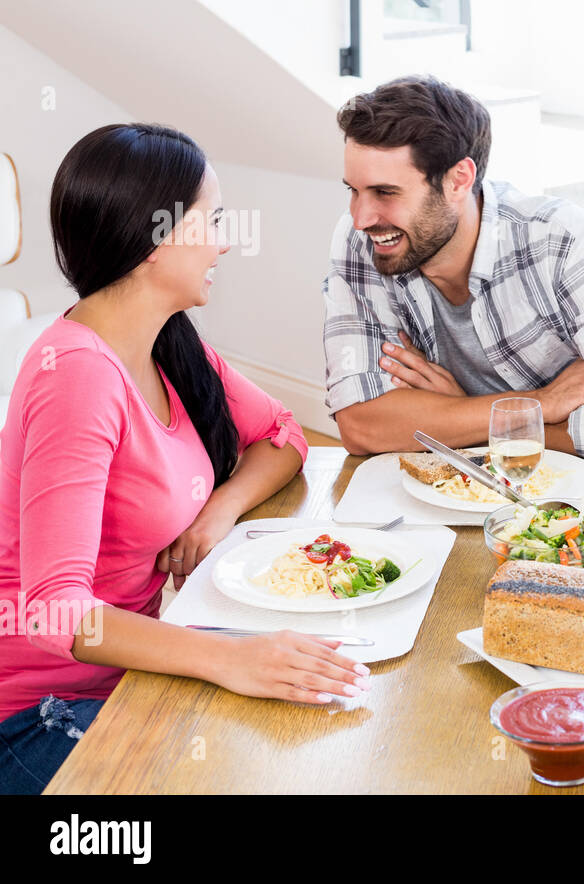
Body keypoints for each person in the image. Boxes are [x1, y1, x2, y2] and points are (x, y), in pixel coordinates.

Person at [0, 125, 368, 794]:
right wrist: (230, 659)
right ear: (153, 240)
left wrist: (215, 513)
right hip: (34, 715)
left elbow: (283, 436)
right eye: (213, 221)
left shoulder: (165, 341)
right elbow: (54, 612)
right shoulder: (76, 375)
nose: (225, 241)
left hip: (134, 674)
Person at [323, 75, 584, 462]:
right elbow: (361, 425)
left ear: (458, 180)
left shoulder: (560, 240)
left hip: (574, 499)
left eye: (386, 192)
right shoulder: (361, 243)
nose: (361, 218)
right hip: (447, 489)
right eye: (353, 190)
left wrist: (461, 416)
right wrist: (537, 404)